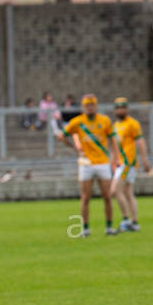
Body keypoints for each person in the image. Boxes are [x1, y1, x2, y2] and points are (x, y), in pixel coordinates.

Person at [57, 93, 119, 237]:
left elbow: (112, 140)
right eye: (87, 106)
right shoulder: (78, 121)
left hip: (103, 162)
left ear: (96, 106)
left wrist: (115, 157)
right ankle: (85, 228)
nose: (90, 108)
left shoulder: (104, 120)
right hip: (86, 163)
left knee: (107, 196)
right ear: (83, 107)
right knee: (85, 197)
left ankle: (109, 227)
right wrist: (73, 147)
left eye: (92, 105)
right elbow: (61, 135)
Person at [110, 97, 150, 232]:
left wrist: (144, 159)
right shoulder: (115, 126)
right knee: (128, 193)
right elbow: (114, 146)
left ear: (127, 109)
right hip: (120, 163)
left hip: (128, 162)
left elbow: (140, 141)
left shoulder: (133, 123)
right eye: (118, 108)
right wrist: (113, 160)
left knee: (115, 190)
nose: (120, 110)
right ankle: (134, 222)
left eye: (123, 107)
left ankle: (126, 220)